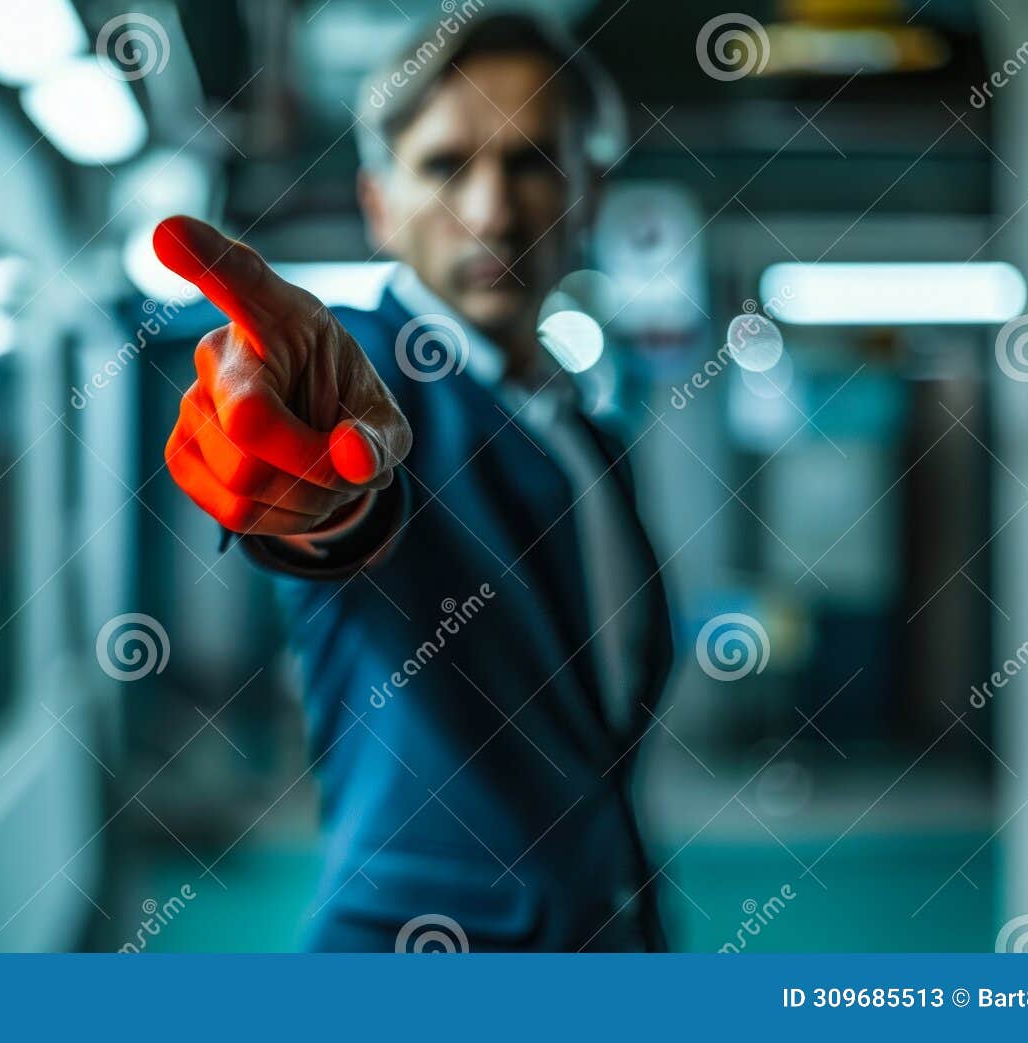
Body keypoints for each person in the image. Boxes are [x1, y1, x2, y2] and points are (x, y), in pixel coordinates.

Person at [156, 11, 672, 952]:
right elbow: (355, 487)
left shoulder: (589, 436)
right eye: (445, 165)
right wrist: (319, 481)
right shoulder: (373, 375)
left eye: (532, 162)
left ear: (589, 193)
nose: (493, 211)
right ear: (379, 203)